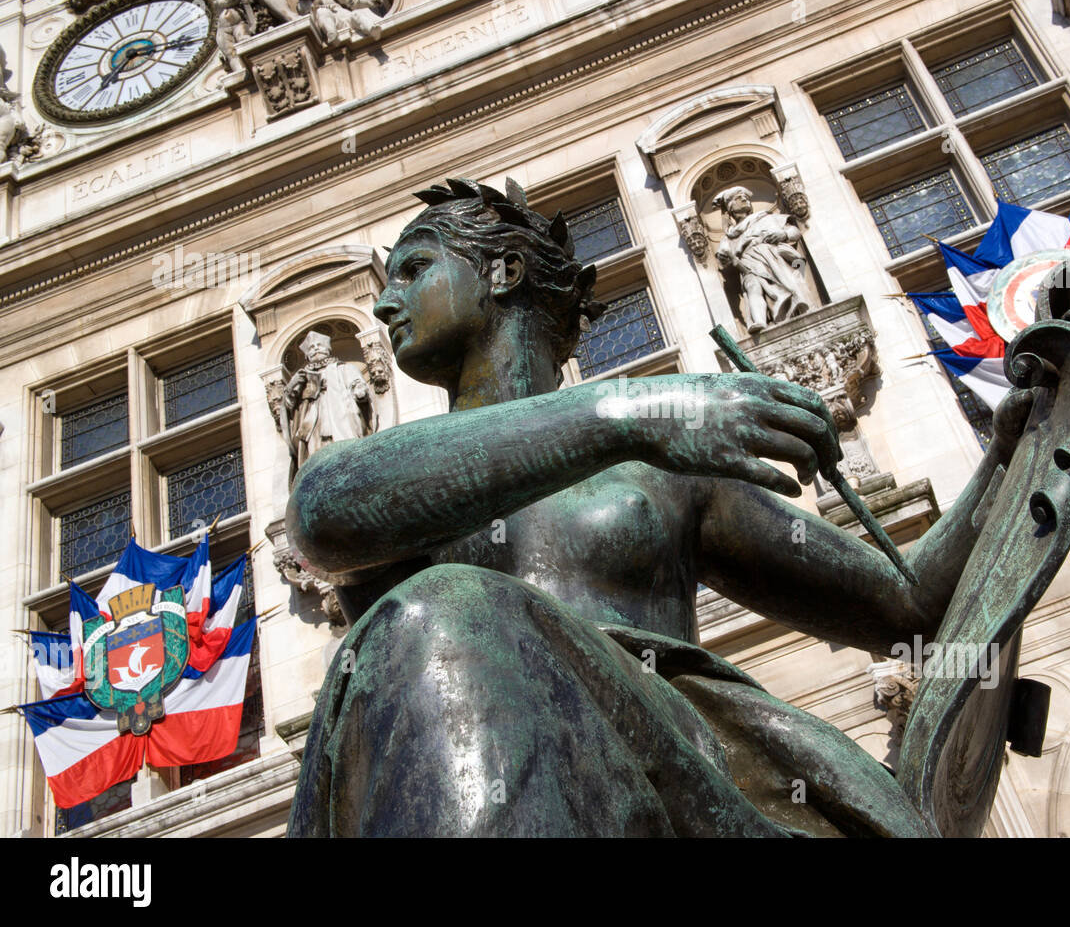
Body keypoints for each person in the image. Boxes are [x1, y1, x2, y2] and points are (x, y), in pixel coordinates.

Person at [285, 178, 1030, 836]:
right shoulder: (394, 475)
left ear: (503, 273)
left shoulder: (665, 476)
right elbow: (323, 514)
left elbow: (906, 603)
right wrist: (635, 410)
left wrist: (1016, 451)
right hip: (474, 755)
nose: (384, 303)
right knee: (442, 608)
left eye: (415, 270)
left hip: (682, 767)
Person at [714, 185, 810, 334]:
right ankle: (759, 321)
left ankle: (793, 311)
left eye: (745, 197)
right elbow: (723, 260)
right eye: (739, 198)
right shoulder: (730, 236)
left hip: (773, 258)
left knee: (789, 287)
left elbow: (794, 231)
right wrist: (725, 257)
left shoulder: (765, 217)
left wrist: (783, 235)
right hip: (747, 265)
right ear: (731, 207)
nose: (744, 199)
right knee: (752, 286)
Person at [282, 331, 375, 484]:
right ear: (307, 355)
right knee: (318, 454)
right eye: (311, 347)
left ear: (327, 348)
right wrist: (293, 386)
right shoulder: (302, 377)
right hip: (314, 421)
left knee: (346, 446)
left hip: (342, 413)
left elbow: (357, 383)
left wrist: (360, 390)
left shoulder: (342, 368)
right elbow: (289, 408)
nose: (315, 349)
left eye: (318, 345)